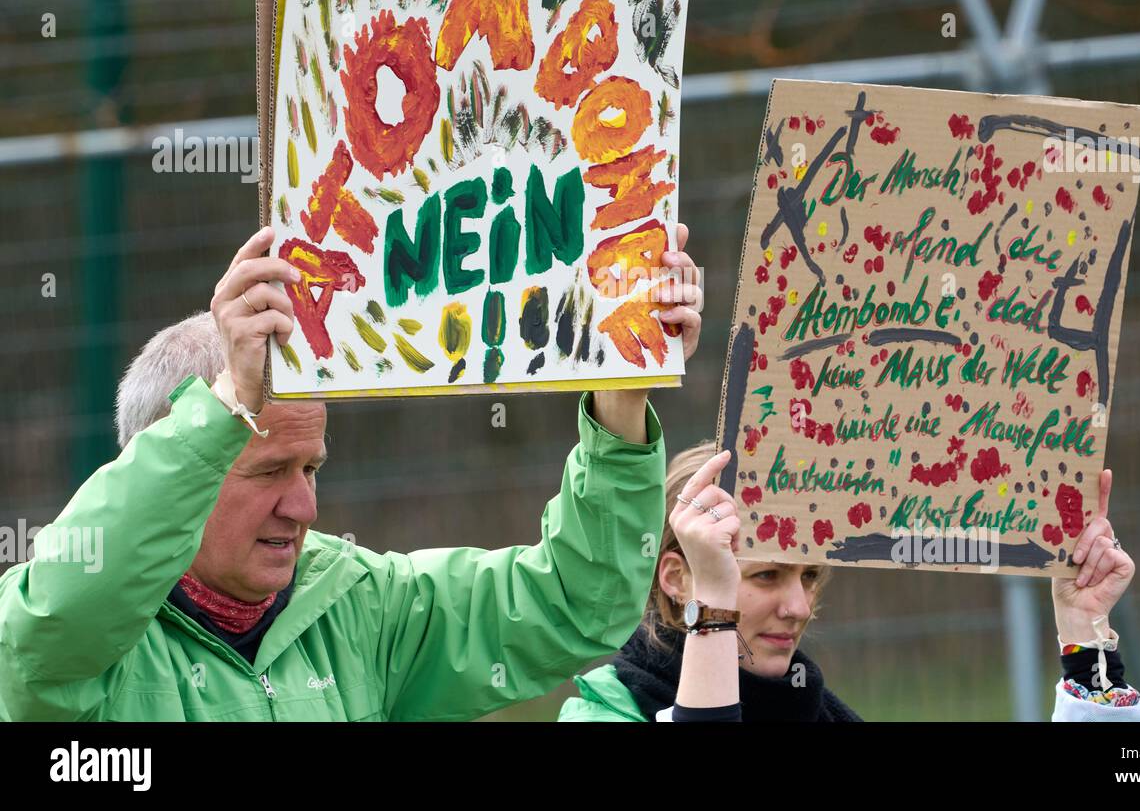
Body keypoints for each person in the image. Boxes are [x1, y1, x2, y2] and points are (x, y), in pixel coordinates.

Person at [0, 224, 703, 721]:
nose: (303, 507)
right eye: (270, 470)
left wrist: (621, 398)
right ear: (183, 455)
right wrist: (225, 406)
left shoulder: (358, 606)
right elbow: (49, 626)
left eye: (311, 468)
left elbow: (577, 603)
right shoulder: (81, 648)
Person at [560, 443, 1140, 722]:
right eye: (765, 574)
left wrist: (1085, 637)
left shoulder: (820, 715)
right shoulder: (604, 716)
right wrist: (713, 608)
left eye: (809, 575)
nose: (798, 606)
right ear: (676, 578)